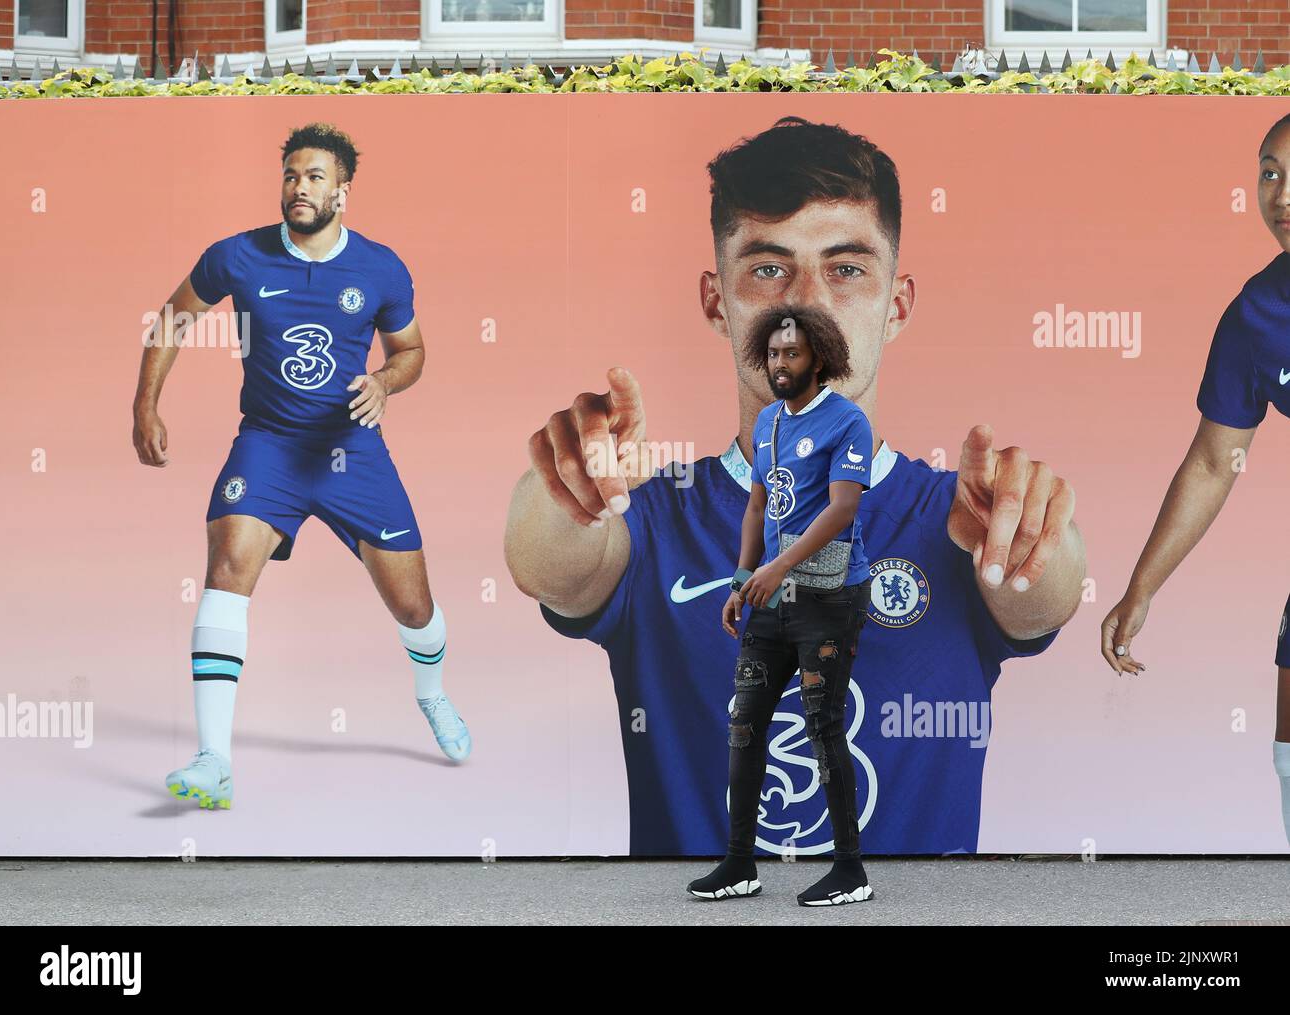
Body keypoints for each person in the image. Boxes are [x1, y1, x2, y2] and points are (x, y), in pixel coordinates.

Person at [505, 117, 1085, 857]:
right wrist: (566, 484)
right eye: (769, 268)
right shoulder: (652, 521)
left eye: (846, 268)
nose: (806, 302)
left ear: (897, 306)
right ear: (718, 303)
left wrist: (1035, 529)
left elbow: (1046, 591)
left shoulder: (961, 518)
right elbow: (546, 559)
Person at [132, 123, 470, 810]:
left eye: (314, 176)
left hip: (352, 452)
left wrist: (385, 381)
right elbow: (171, 318)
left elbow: (411, 351)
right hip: (269, 445)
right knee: (227, 563)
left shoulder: (379, 268)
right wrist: (145, 405)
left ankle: (432, 694)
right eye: (290, 174)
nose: (299, 187)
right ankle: (214, 758)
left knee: (414, 604)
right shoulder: (238, 256)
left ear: (343, 191)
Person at [1101, 112, 1290, 845]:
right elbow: (1215, 461)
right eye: (1269, 172)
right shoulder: (1256, 316)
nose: (1280, 193)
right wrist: (1141, 586)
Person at [686, 317, 876, 905]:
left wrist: (777, 568)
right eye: (772, 353)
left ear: (818, 360)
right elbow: (757, 507)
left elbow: (841, 510)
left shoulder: (849, 420)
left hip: (829, 598)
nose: (780, 364)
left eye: (791, 353)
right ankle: (741, 864)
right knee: (745, 728)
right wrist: (745, 577)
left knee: (824, 729)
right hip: (770, 600)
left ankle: (850, 872)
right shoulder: (766, 422)